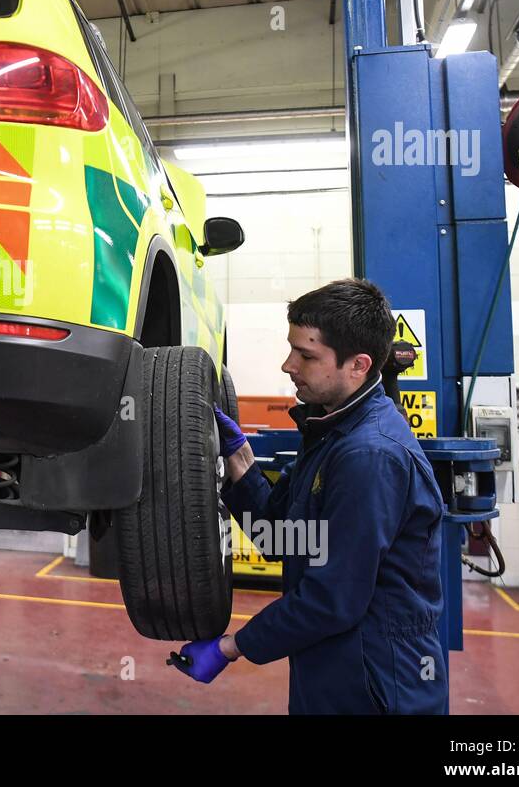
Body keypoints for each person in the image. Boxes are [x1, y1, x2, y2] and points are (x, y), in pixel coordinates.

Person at [173, 278, 448, 714]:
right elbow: (283, 538)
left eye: (306, 355)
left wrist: (231, 647)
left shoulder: (369, 456)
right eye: (291, 348)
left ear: (358, 365)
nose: (288, 365)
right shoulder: (331, 434)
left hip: (376, 685)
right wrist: (241, 461)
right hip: (332, 670)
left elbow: (332, 599)